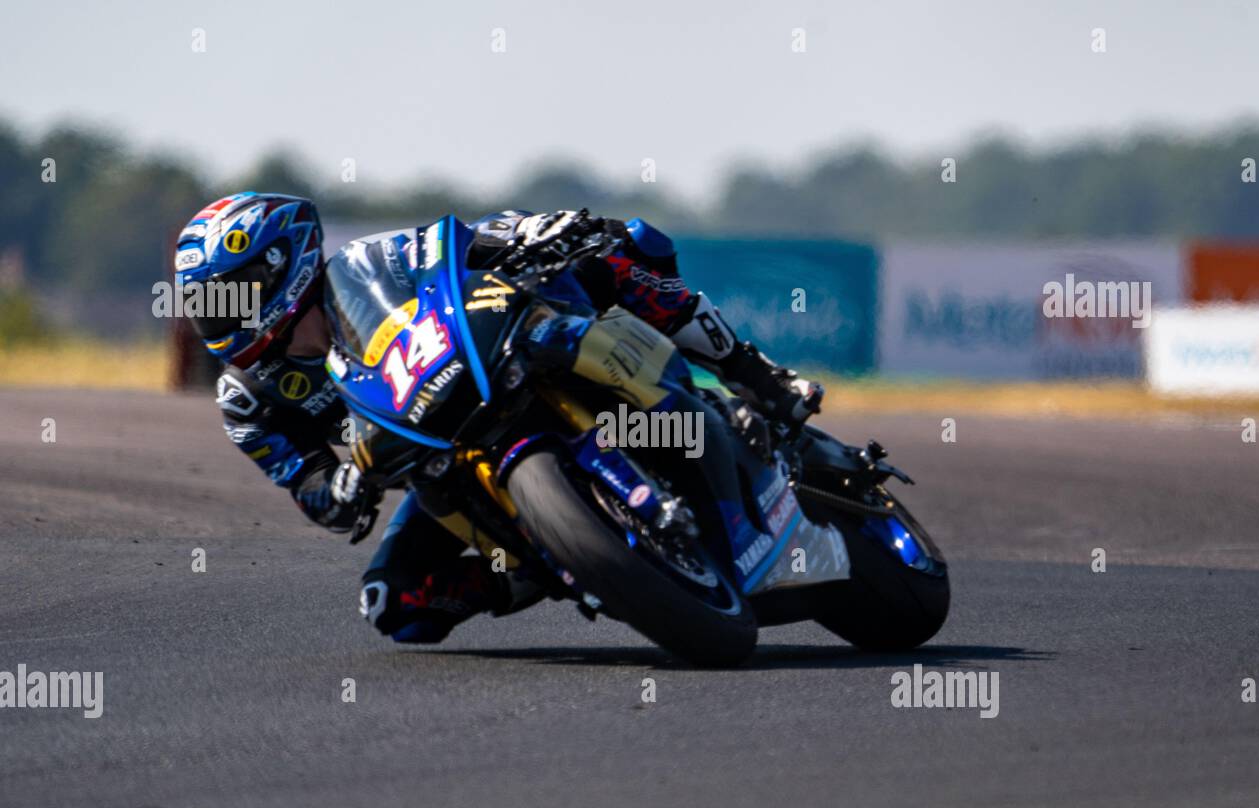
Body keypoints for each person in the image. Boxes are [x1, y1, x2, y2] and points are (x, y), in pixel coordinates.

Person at [174, 193, 823, 644]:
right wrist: (339, 491)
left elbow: (450, 244)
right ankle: (549, 560)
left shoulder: (364, 264)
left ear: (276, 268)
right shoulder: (248, 399)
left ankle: (753, 374)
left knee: (613, 251)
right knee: (394, 604)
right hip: (433, 456)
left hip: (499, 361)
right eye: (207, 304)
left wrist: (521, 234)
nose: (220, 318)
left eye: (229, 294)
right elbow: (305, 482)